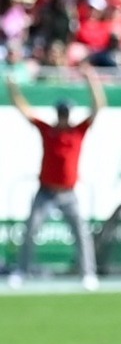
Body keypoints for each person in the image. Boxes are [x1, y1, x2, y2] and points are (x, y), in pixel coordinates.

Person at [6, 67, 106, 291]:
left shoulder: (78, 131)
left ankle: (88, 274)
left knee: (81, 233)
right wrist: (12, 87)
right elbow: (24, 110)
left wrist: (92, 82)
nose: (63, 117)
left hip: (68, 193)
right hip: (46, 192)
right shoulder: (47, 130)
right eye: (60, 113)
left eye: (66, 113)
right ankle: (22, 270)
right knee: (30, 230)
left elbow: (99, 107)